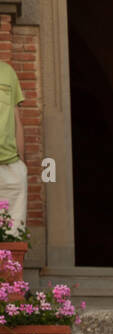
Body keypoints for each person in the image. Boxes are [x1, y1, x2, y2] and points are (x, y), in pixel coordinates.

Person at [0, 59, 26, 230]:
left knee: (13, 233)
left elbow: (17, 119)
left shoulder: (8, 72)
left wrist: (21, 163)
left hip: (11, 166)